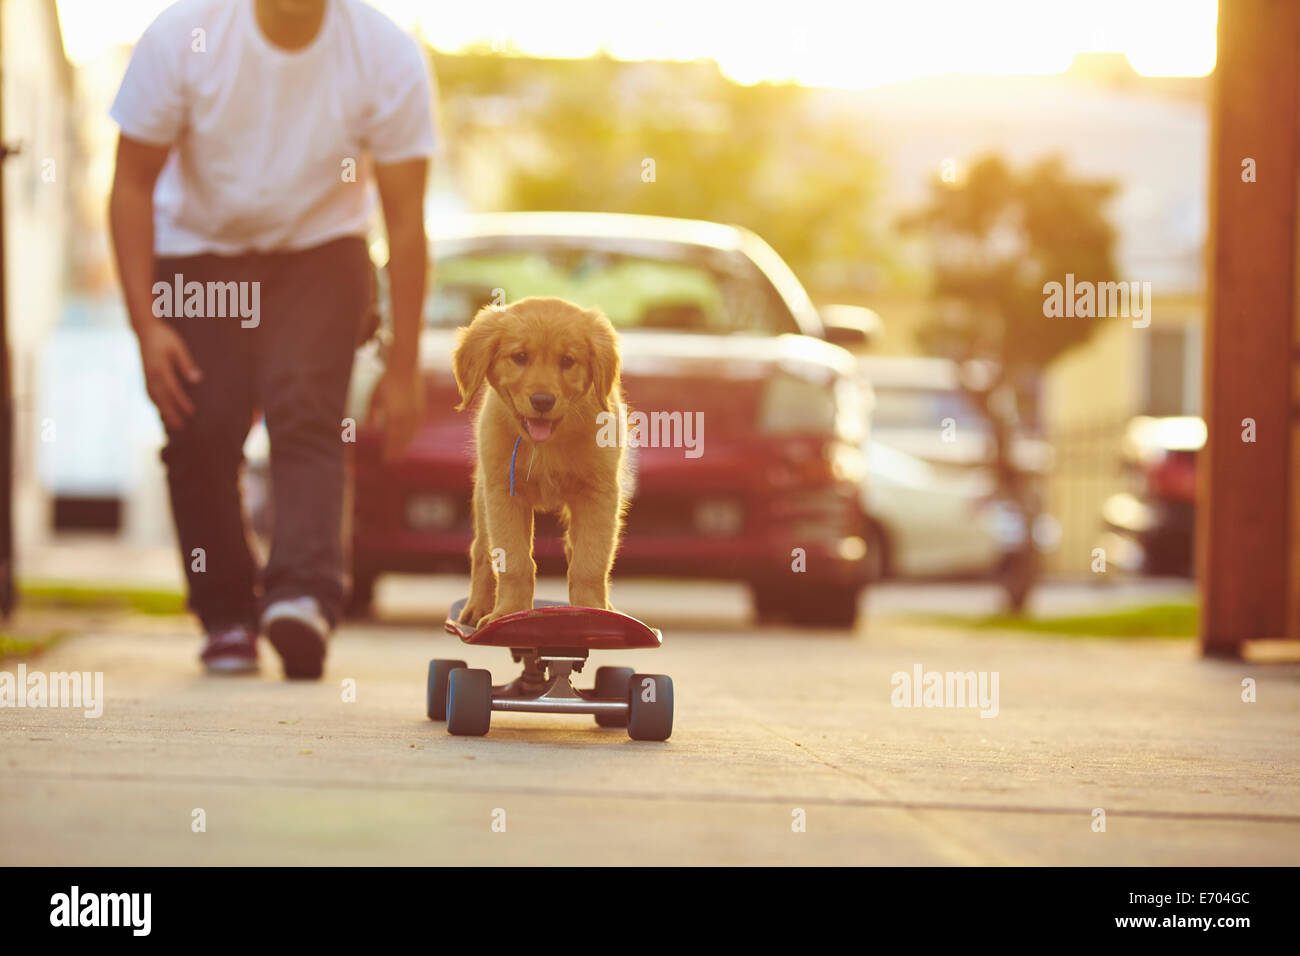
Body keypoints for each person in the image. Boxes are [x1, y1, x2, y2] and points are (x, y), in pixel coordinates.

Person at [108, 0, 434, 678]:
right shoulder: (184, 37)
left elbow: (405, 222)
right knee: (200, 424)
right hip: (199, 252)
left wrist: (404, 370)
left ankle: (302, 598)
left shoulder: (383, 53)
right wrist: (147, 326)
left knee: (307, 413)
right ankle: (226, 614)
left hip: (320, 251)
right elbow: (132, 184)